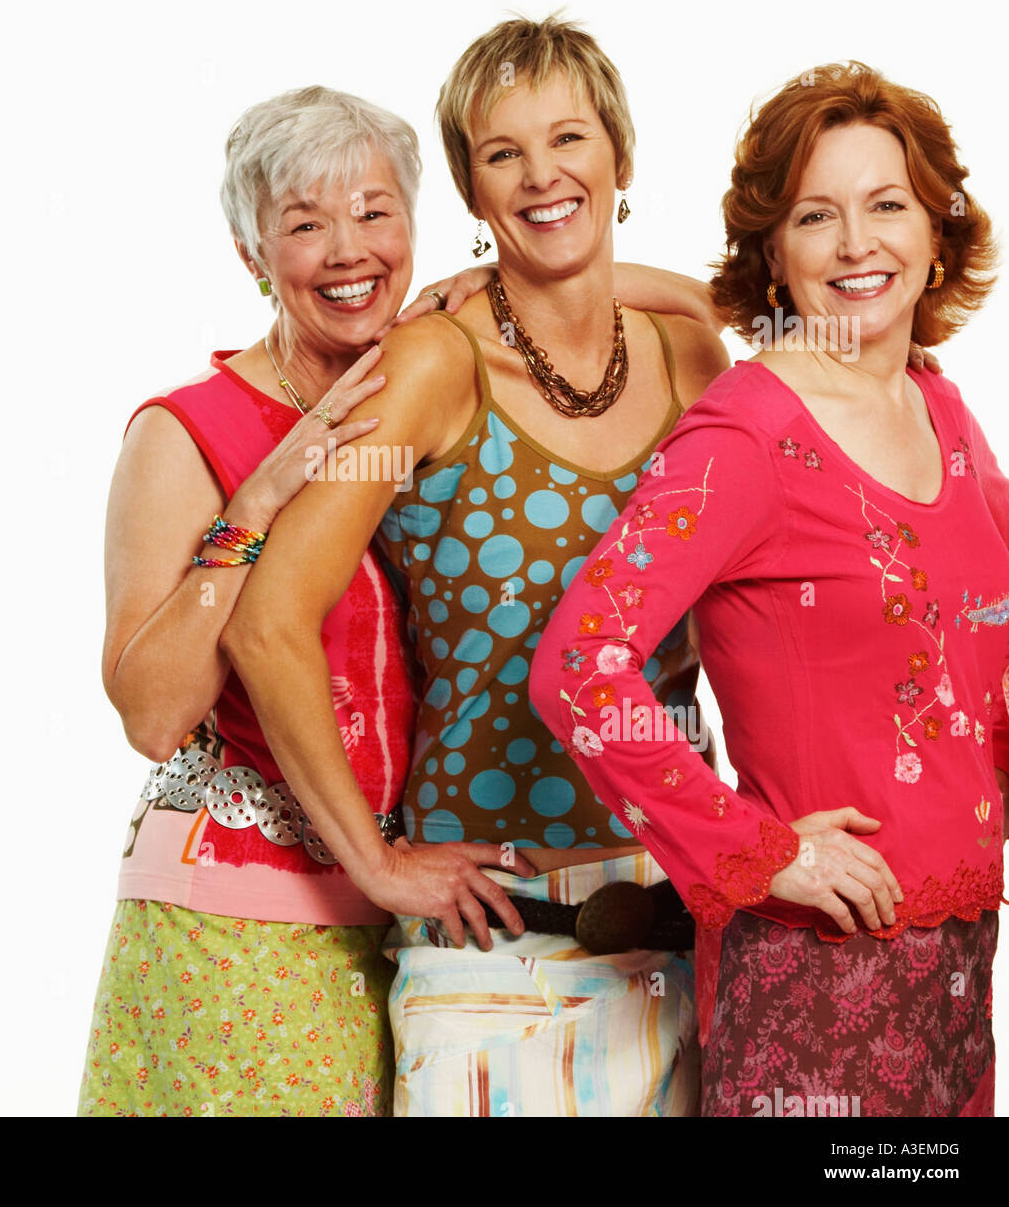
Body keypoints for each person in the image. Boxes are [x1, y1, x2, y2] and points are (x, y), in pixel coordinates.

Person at [77, 82, 706, 1116]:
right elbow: (151, 714)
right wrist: (259, 498)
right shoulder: (185, 427)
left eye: (373, 213)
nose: (346, 250)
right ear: (251, 255)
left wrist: (515, 272)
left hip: (423, 923)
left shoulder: (425, 384)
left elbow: (717, 302)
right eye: (304, 223)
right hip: (248, 919)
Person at [528, 61, 1009, 1117]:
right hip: (815, 978)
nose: (855, 244)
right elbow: (577, 666)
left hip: (960, 969)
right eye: (813, 216)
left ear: (937, 233)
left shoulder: (942, 408)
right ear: (773, 253)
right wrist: (758, 851)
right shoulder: (746, 435)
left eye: (887, 205)